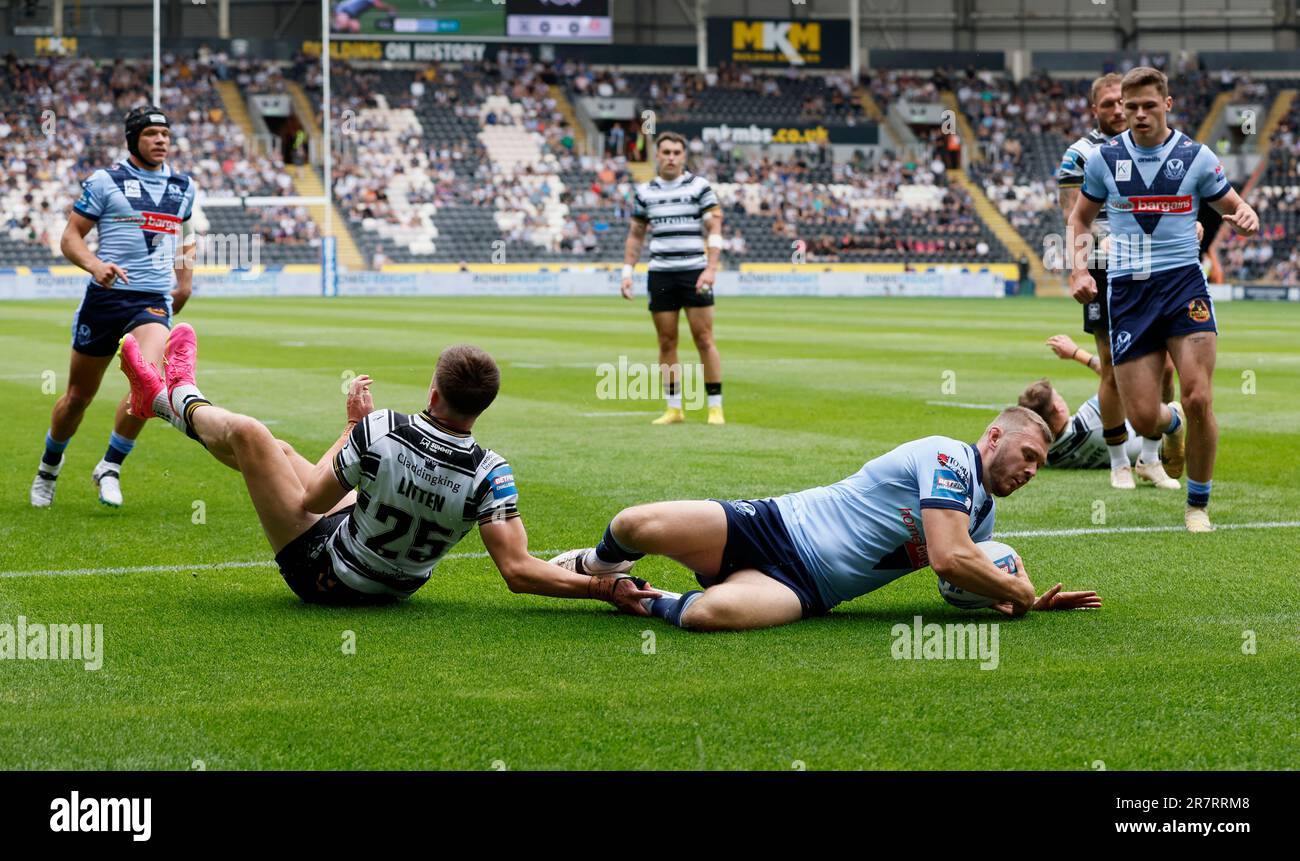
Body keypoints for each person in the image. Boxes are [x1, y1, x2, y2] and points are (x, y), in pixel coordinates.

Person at [116, 324, 659, 613]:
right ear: (481, 407)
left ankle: (174, 396)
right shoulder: (493, 471)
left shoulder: (384, 429)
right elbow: (518, 571)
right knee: (275, 452)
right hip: (394, 582)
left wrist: (352, 428)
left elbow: (310, 500)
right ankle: (161, 398)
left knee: (254, 436)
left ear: (433, 392)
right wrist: (601, 589)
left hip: (326, 574)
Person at [552, 408, 1101, 631]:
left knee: (705, 616)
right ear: (995, 437)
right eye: (1028, 456)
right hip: (774, 524)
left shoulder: (983, 516)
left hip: (807, 590)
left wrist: (1013, 597)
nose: (1032, 471)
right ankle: (597, 564)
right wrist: (1016, 590)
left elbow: (960, 576)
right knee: (636, 524)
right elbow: (949, 559)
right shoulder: (947, 456)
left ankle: (635, 595)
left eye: (1040, 465)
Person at [1068, 66, 1260, 532]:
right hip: (1129, 291)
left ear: (1167, 105)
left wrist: (1245, 214)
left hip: (1183, 286)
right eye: (1131, 106)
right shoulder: (1104, 159)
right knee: (1143, 418)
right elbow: (1079, 219)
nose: (1139, 114)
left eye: (1149, 106)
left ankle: (1197, 506)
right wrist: (1078, 269)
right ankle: (1170, 424)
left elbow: (1234, 205)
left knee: (1198, 396)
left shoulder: (1196, 157)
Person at [30, 106, 197, 509]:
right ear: (133, 139)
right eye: (152, 133)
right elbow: (71, 237)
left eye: (165, 134)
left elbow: (186, 238)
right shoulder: (106, 181)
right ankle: (48, 468)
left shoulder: (183, 186)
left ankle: (110, 466)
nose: (161, 140)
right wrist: (94, 265)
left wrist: (185, 282)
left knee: (149, 383)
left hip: (151, 300)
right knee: (77, 398)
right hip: (104, 300)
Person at [1057, 73, 1184, 489]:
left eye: (1122, 102)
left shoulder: (1159, 147)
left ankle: (1149, 457)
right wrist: (1084, 264)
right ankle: (1118, 463)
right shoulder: (1080, 154)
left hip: (1159, 264)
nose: (1117, 110)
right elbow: (1073, 216)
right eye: (1109, 103)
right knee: (1113, 366)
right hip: (1106, 268)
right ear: (1095, 109)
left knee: (1166, 367)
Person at [620, 132, 726, 426]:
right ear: (657, 155)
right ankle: (674, 408)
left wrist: (711, 268)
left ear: (684, 156)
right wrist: (627, 272)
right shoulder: (645, 192)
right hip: (661, 273)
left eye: (676, 152)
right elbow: (636, 235)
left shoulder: (699, 187)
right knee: (666, 342)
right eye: (665, 152)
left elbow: (715, 227)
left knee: (704, 339)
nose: (671, 157)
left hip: (694, 272)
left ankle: (715, 407)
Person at [1019, 335, 1186, 475]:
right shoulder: (1088, 421)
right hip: (1156, 442)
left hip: (1128, 447)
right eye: (1059, 397)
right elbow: (1114, 378)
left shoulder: (1048, 454)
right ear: (1058, 407)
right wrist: (1076, 353)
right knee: (1162, 373)